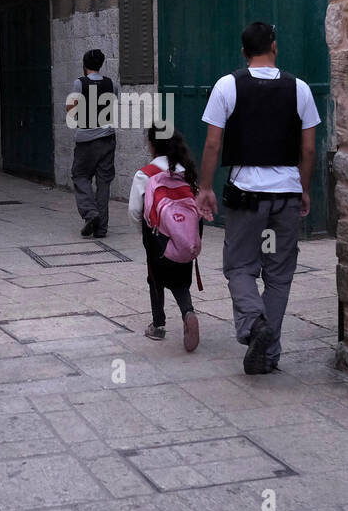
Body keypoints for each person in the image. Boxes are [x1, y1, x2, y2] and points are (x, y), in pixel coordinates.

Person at [196, 22, 319, 375]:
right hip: (287, 194)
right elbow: (308, 148)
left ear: (243, 52)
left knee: (240, 267)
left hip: (246, 194)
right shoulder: (300, 89)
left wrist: (205, 188)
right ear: (274, 47)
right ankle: (268, 353)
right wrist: (304, 188)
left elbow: (213, 144)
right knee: (279, 275)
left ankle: (254, 325)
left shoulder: (227, 86)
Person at [129, 127, 202, 352]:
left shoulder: (145, 174)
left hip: (156, 237)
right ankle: (188, 311)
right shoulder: (185, 170)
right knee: (180, 278)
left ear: (152, 145)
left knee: (155, 278)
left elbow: (134, 210)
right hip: (185, 237)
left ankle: (158, 325)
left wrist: (144, 231)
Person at [66, 49, 119, 238]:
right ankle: (101, 228)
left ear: (84, 64)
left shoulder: (79, 83)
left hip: (86, 139)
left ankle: (90, 213)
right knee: (104, 182)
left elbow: (71, 109)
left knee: (80, 175)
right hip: (107, 138)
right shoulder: (111, 84)